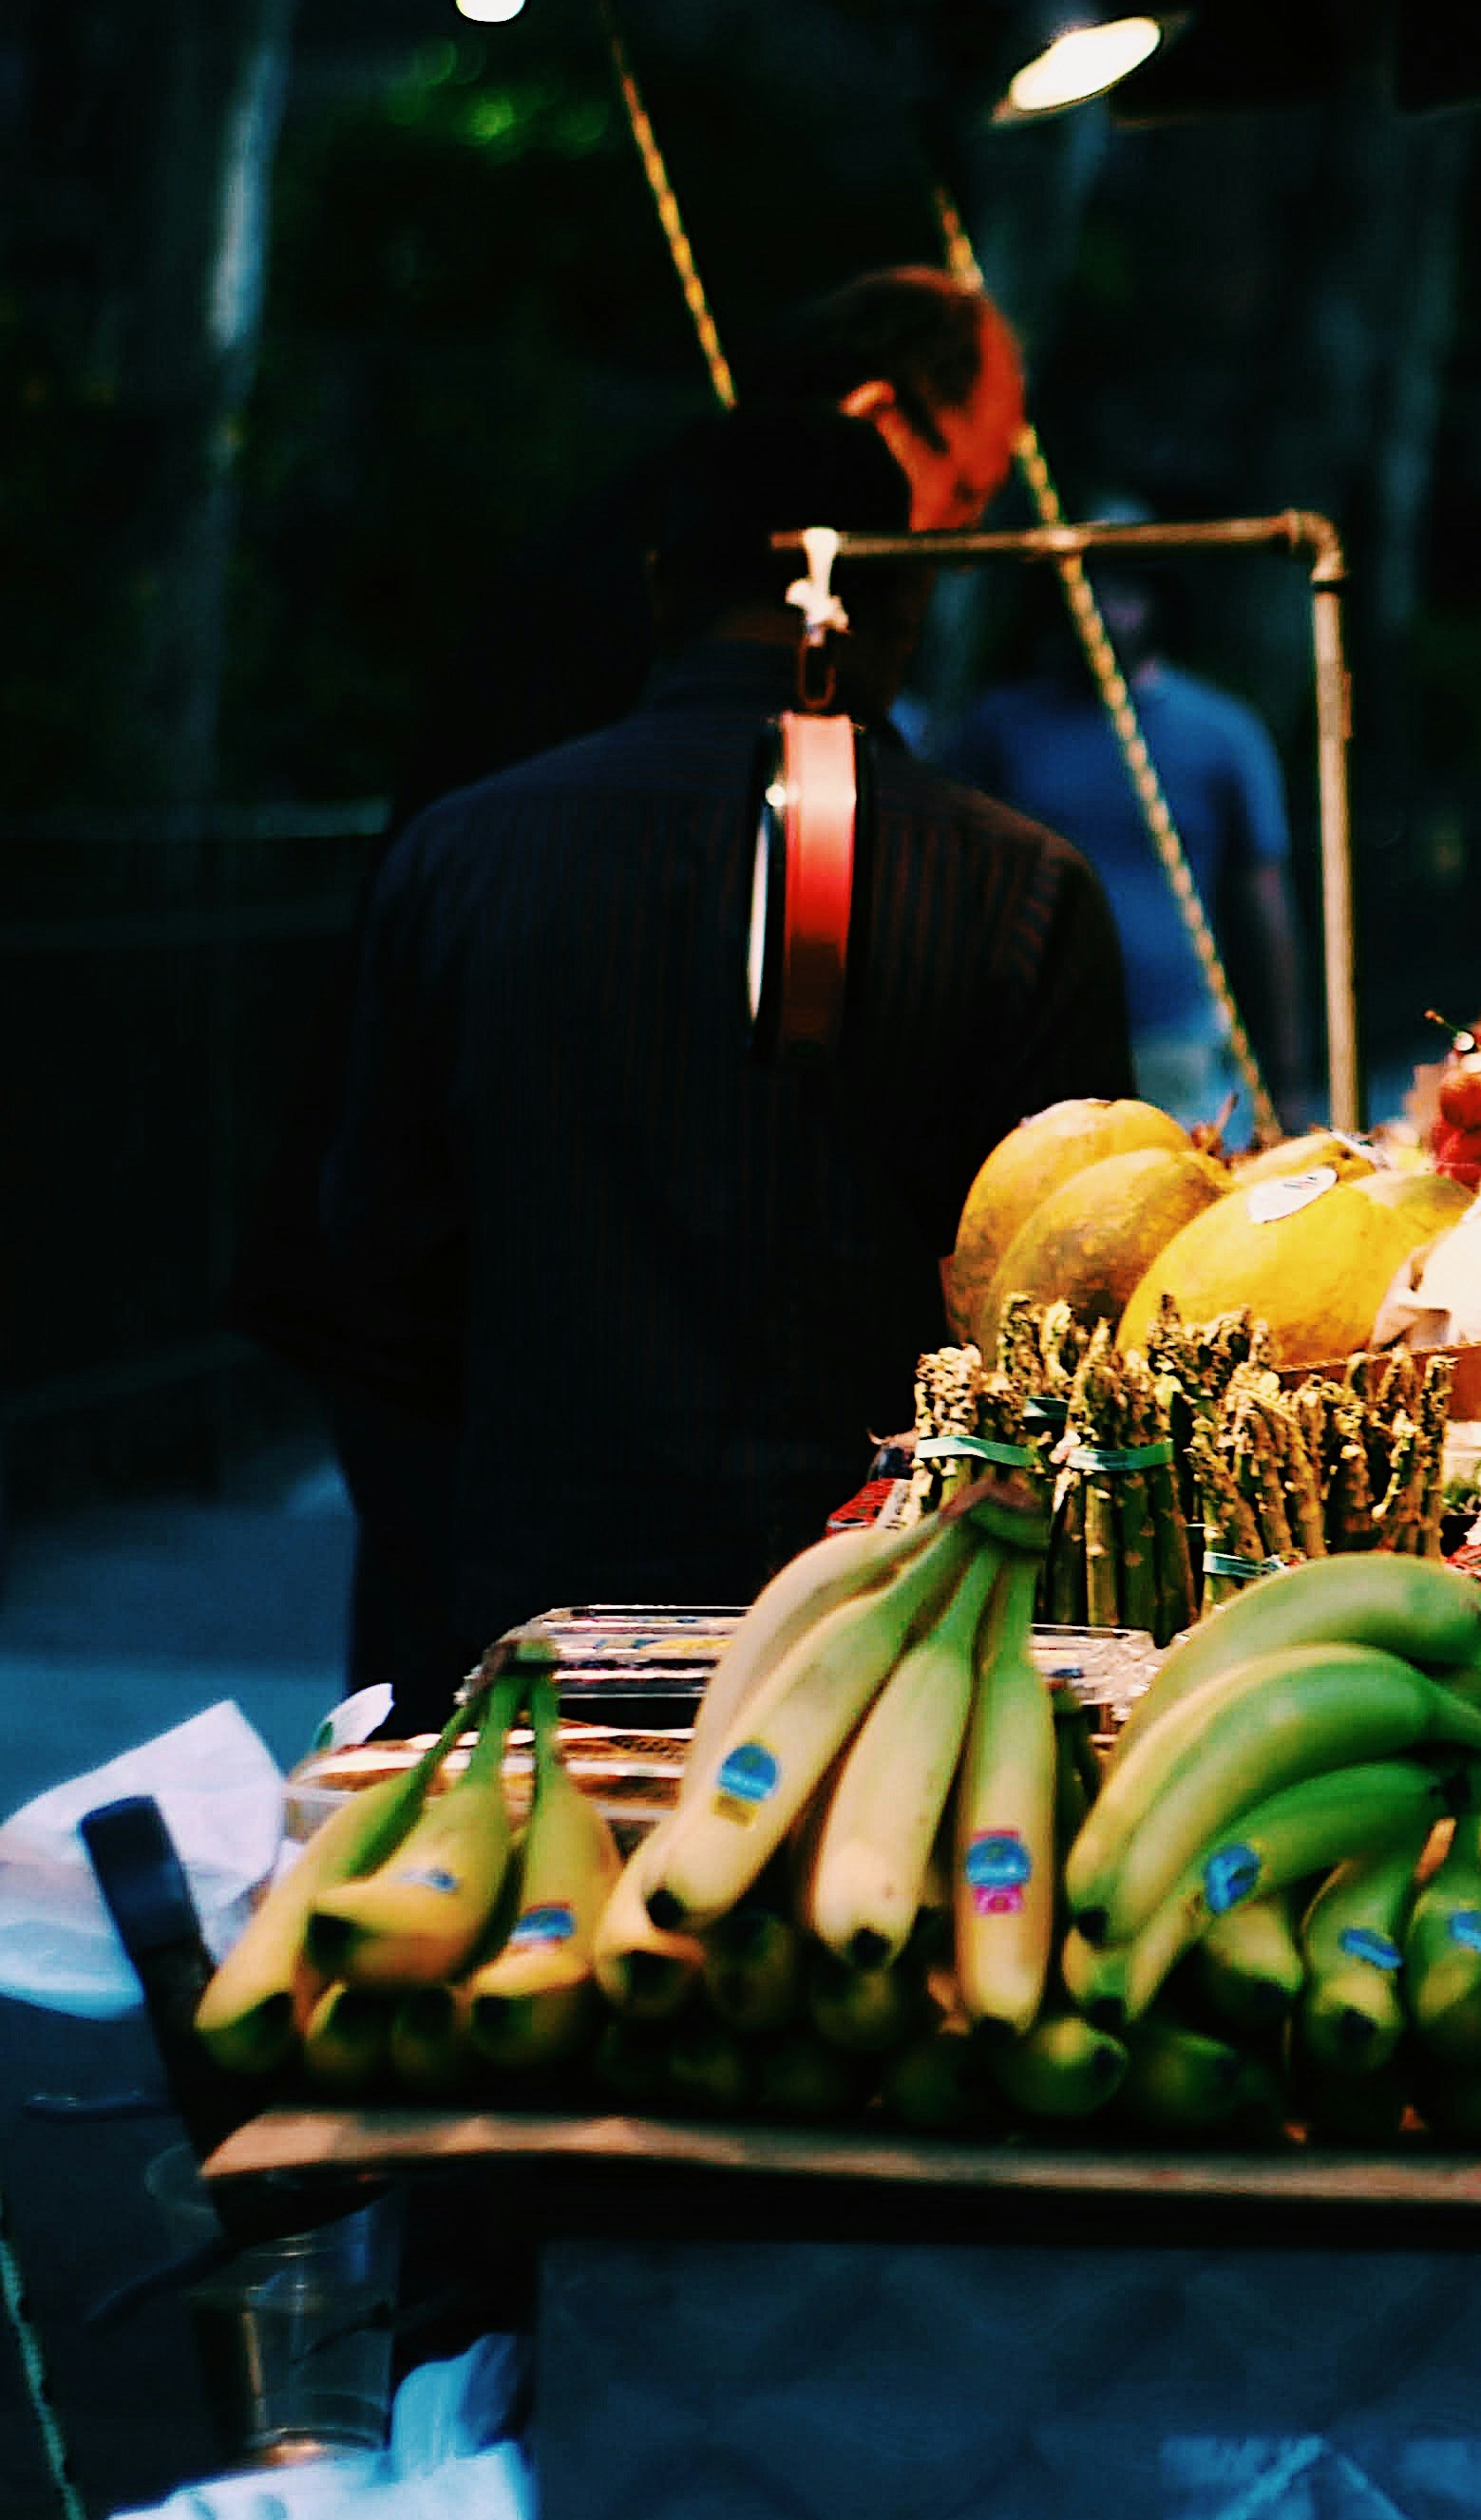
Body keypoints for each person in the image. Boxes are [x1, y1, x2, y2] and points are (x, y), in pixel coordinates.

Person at [314, 405, 1130, 1716]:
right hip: (888, 1646)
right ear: (905, 601)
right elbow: (1073, 1315)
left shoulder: (458, 858)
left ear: (660, 590)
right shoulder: (1021, 890)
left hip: (527, 1620)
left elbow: (375, 1268)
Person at [391, 268, 1028, 819]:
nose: (959, 553)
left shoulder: (633, 532)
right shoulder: (719, 616)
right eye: (964, 495)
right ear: (877, 421)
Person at [939, 567, 1306, 1134]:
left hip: (1172, 1040)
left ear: (1160, 604)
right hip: (1031, 1039)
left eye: (1125, 590)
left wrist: (1287, 1075)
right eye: (1086, 588)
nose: (1104, 610)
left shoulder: (1223, 732)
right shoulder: (998, 728)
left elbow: (1265, 905)